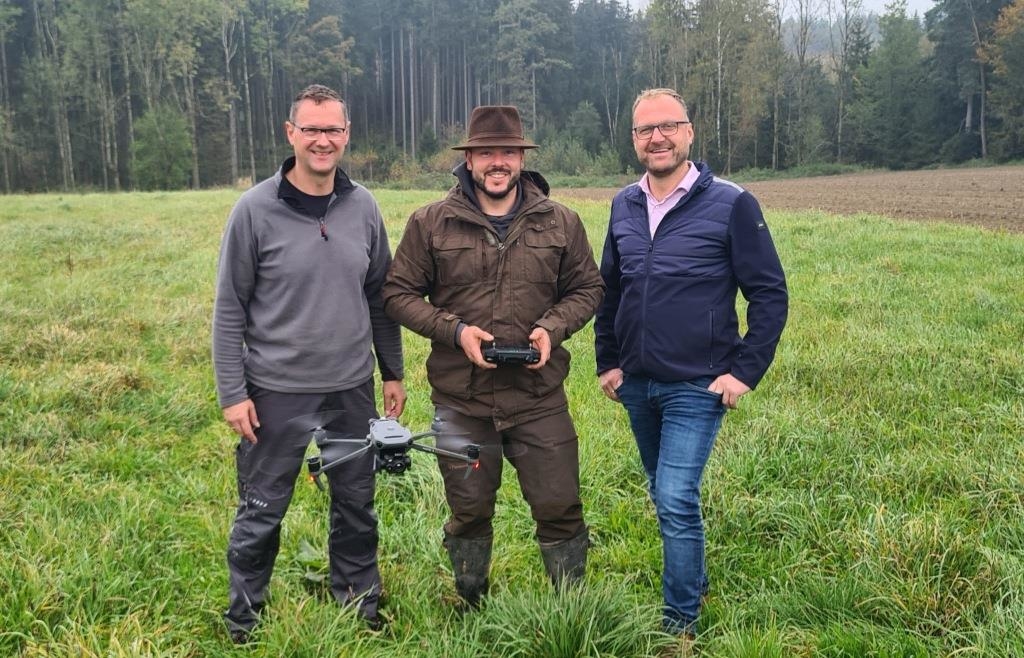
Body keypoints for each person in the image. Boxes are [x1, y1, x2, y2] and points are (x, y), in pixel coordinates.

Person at [382, 105, 603, 608]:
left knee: (559, 505)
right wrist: (456, 331)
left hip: (538, 396)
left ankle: (571, 609)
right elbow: (397, 293)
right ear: (470, 159)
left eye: (507, 152)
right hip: (462, 399)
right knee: (469, 510)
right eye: (486, 153)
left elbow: (588, 289)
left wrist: (551, 329)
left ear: (522, 159)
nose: (497, 162)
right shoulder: (431, 223)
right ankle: (471, 601)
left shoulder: (561, 222)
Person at [212, 84, 406, 643]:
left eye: (333, 130)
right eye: (312, 129)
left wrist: (392, 371)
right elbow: (229, 308)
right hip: (275, 391)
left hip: (351, 388)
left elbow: (380, 296)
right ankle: (244, 620)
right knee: (262, 509)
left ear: (347, 135)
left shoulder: (363, 206)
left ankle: (359, 605)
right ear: (291, 133)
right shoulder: (254, 210)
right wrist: (233, 393)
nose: (323, 141)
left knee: (356, 505)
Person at [594, 88, 788, 638]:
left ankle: (679, 624)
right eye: (644, 130)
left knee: (676, 496)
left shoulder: (732, 203)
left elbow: (769, 293)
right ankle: (695, 580)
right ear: (634, 139)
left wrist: (744, 372)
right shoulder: (624, 204)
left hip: (698, 385)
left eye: (668, 126)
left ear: (689, 132)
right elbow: (611, 290)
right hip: (636, 381)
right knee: (663, 491)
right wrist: (608, 360)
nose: (656, 138)